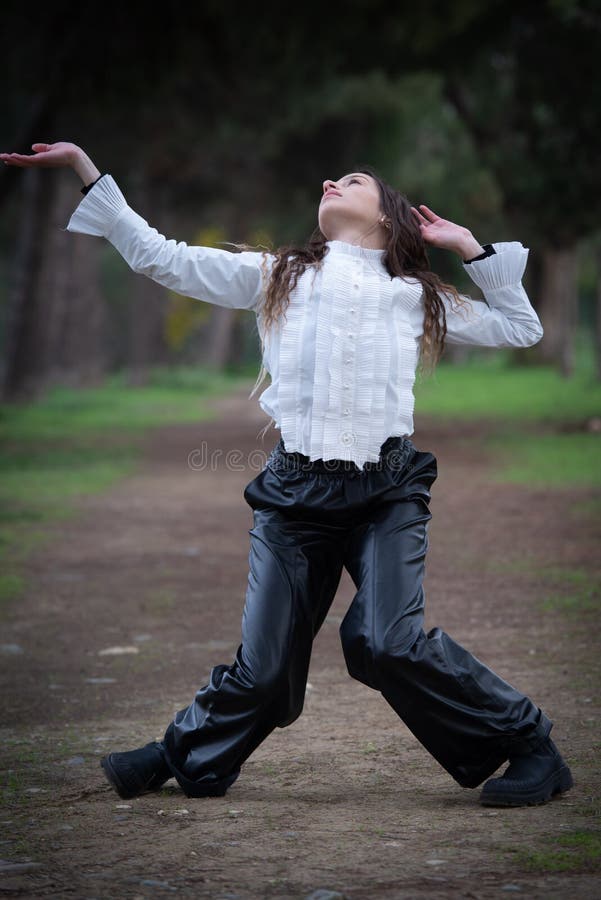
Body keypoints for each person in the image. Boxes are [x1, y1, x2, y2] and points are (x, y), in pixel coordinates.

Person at [1, 142, 573, 808]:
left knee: (385, 643)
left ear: (387, 217)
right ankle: (183, 754)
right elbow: (161, 256)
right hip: (295, 496)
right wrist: (83, 168)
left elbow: (520, 328)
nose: (330, 180)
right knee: (267, 669)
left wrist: (469, 247)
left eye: (352, 179)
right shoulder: (276, 275)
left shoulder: (415, 295)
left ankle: (532, 747)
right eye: (332, 178)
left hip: (387, 492)